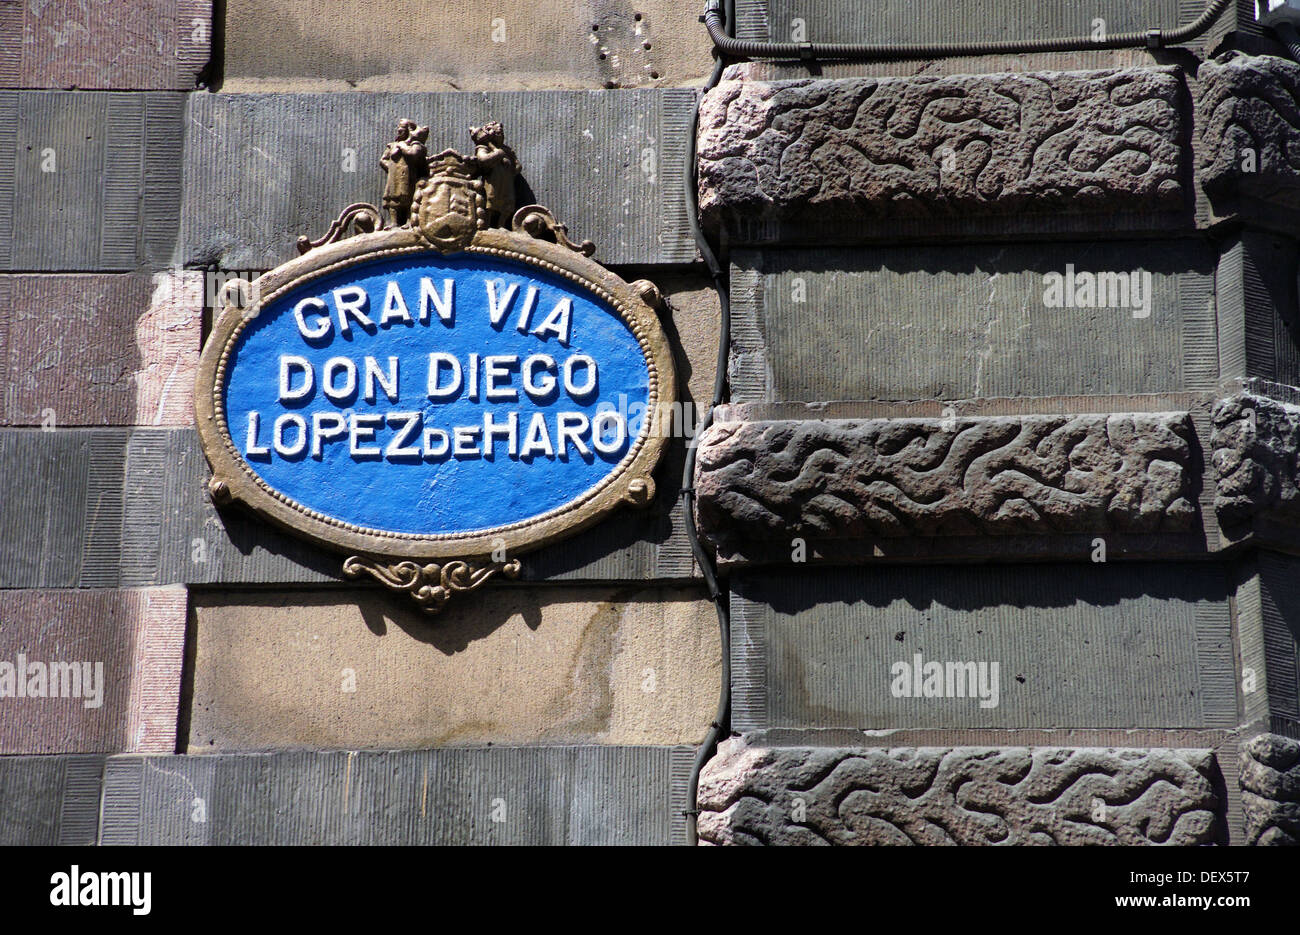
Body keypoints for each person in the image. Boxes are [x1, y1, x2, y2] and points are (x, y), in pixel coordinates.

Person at [380, 119, 429, 226]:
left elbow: (414, 155)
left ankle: (408, 220)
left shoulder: (414, 145)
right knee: (392, 196)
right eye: (399, 127)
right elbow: (383, 159)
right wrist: (392, 168)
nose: (399, 130)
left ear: (409, 131)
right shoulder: (392, 145)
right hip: (394, 175)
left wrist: (403, 146)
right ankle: (394, 222)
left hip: (408, 174)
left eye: (402, 127)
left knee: (407, 196)